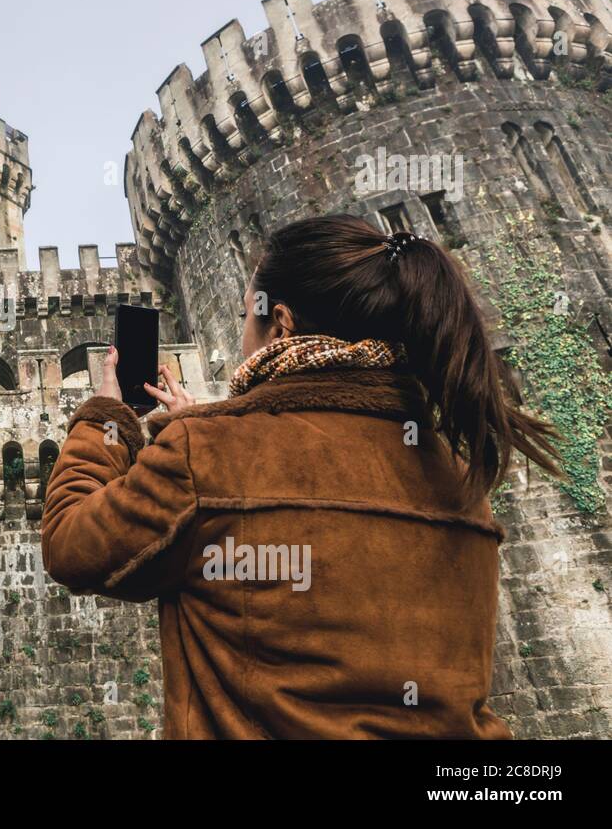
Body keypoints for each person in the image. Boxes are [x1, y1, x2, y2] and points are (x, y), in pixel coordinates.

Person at [41, 215, 559, 738]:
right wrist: (200, 430)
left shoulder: (208, 458)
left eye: (246, 315)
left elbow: (70, 542)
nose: (242, 333)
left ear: (281, 323)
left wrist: (110, 415)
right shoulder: (461, 480)